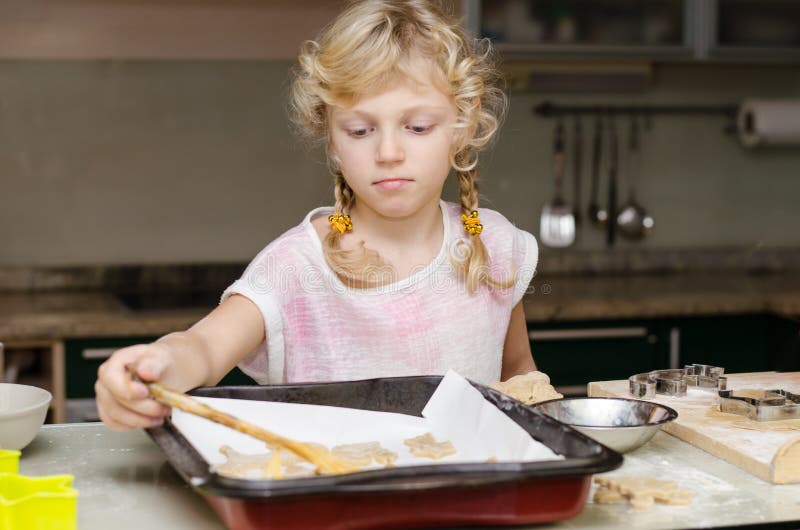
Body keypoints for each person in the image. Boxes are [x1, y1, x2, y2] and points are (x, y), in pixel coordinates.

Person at [95, 0, 538, 431]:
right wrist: (157, 366)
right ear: (330, 138)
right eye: (360, 130)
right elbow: (204, 347)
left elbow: (521, 380)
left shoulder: (494, 246)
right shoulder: (297, 265)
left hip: (470, 501)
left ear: (464, 123)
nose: (388, 153)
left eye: (418, 126)